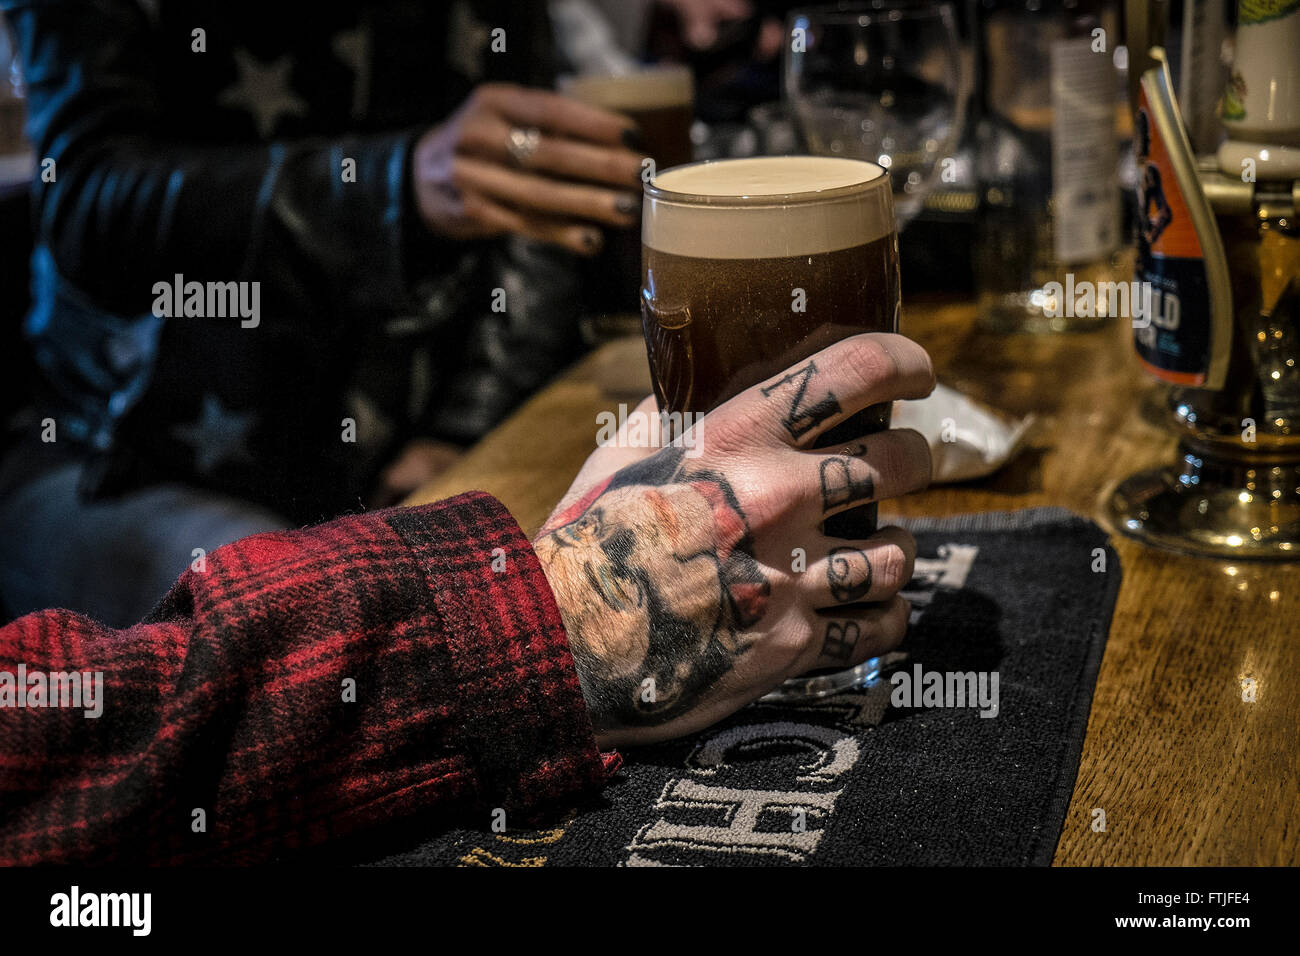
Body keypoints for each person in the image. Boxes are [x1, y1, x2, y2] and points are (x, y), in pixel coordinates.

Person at [0, 332, 935, 864]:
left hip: (387, 465)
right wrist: (554, 606)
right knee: (238, 555)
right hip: (88, 457)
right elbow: (79, 742)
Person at [0, 1, 647, 626]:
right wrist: (390, 186)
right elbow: (86, 202)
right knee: (337, 630)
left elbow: (532, 195)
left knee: (623, 559)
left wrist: (461, 427)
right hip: (119, 460)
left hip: (409, 449)